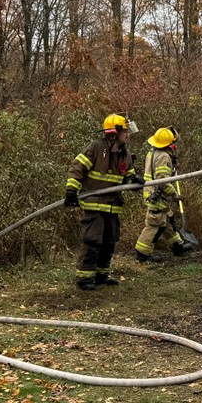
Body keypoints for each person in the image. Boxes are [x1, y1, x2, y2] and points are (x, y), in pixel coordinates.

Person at [65, 114, 143, 291]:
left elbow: (128, 175)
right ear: (114, 133)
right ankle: (84, 278)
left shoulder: (125, 154)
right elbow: (77, 168)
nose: (127, 135)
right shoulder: (96, 148)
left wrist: (136, 181)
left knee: (109, 242)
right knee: (93, 241)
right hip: (94, 204)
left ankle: (101, 275)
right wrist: (71, 190)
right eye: (125, 132)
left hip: (113, 205)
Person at [134, 127, 192, 263]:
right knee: (155, 223)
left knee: (166, 219)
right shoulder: (164, 156)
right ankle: (142, 253)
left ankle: (177, 246)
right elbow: (163, 181)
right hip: (157, 194)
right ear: (169, 144)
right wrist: (174, 194)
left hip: (151, 192)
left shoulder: (152, 152)